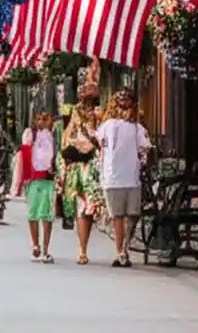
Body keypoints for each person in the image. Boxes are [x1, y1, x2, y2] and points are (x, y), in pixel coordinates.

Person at [96, 90, 150, 268]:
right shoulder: (116, 126)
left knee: (125, 216)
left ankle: (122, 249)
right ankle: (121, 251)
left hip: (121, 176)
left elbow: (101, 145)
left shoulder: (133, 128)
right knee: (122, 216)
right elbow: (145, 149)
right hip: (120, 177)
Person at [60, 101, 103, 265]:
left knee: (86, 211)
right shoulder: (75, 131)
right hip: (83, 175)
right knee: (84, 211)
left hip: (88, 174)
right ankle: (82, 249)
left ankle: (83, 249)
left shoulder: (96, 128)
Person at [12, 110, 58, 263]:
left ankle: (45, 249)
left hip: (48, 178)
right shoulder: (30, 134)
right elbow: (24, 154)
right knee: (33, 213)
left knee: (47, 214)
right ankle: (35, 245)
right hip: (32, 179)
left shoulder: (54, 135)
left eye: (46, 118)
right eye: (40, 118)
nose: (43, 121)